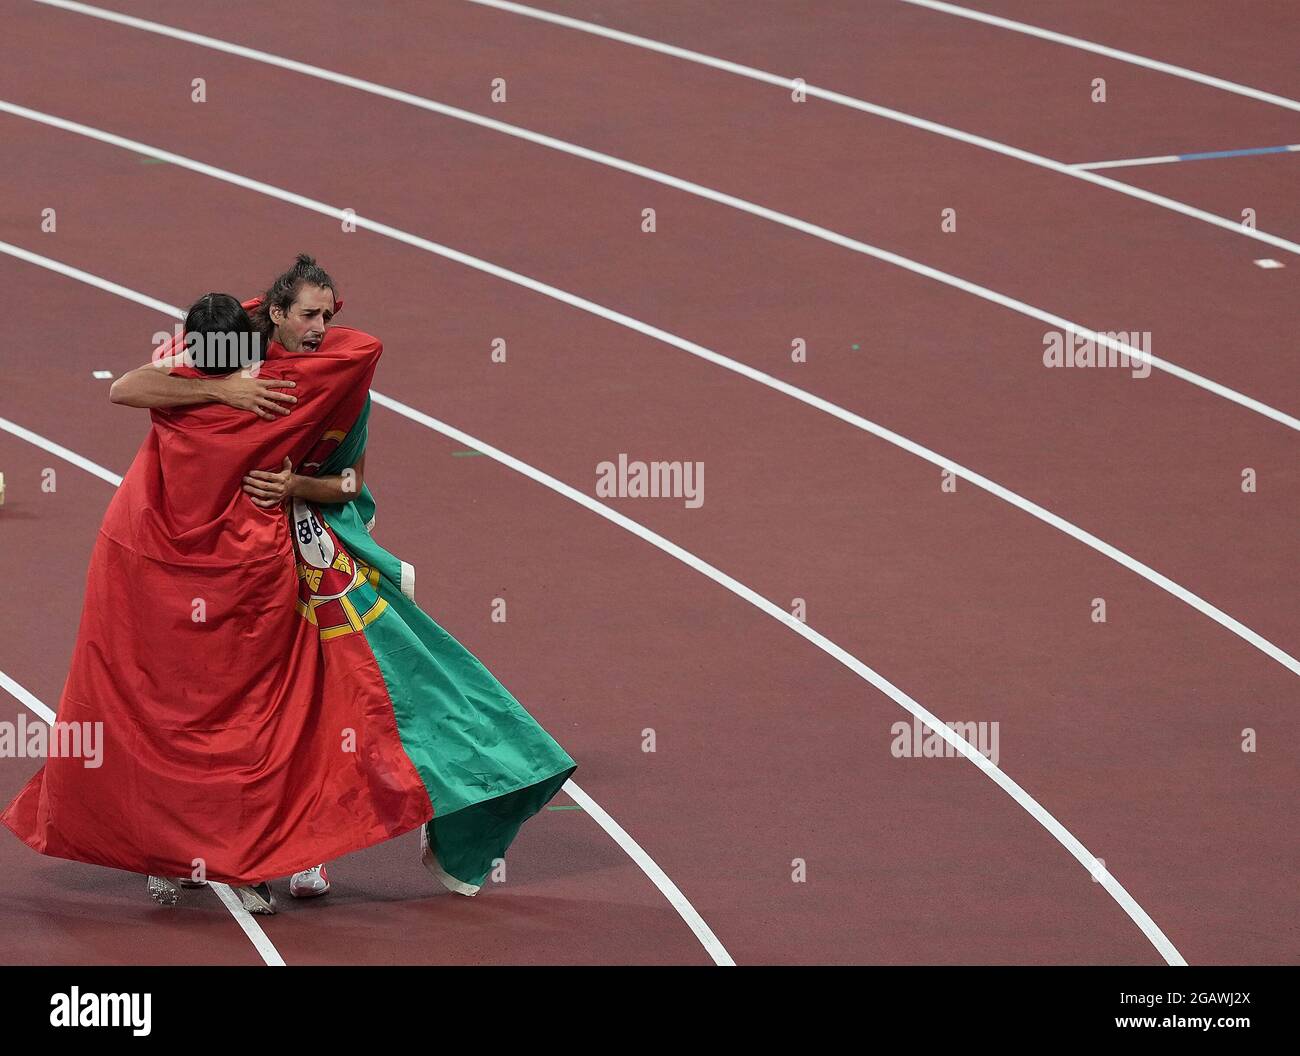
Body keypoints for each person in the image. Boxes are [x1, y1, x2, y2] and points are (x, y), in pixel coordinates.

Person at [3, 256, 576, 918]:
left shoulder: (249, 383)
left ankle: (250, 851)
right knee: (213, 716)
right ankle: (206, 854)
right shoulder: (250, 385)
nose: (322, 328)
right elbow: (135, 385)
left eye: (326, 315)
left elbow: (135, 389)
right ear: (270, 320)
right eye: (309, 314)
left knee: (213, 709)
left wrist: (285, 462)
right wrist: (238, 381)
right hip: (205, 570)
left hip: (213, 564)